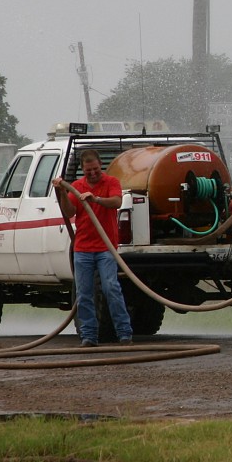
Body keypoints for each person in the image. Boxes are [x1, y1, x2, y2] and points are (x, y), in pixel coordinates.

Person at [53, 149, 134, 347]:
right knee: (84, 293)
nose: (93, 173)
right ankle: (89, 336)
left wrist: (95, 199)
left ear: (101, 166)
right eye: (89, 170)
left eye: (96, 169)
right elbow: (69, 211)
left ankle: (124, 334)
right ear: (83, 169)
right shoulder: (76, 187)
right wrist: (62, 191)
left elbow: (116, 202)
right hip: (82, 249)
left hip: (106, 247)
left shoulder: (111, 183)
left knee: (111, 287)